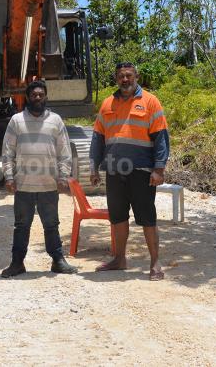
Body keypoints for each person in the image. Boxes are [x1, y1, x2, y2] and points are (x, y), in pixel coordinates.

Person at [89, 62, 170, 281]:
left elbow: (161, 138)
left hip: (142, 171)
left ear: (136, 76)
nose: (125, 80)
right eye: (121, 76)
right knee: (118, 218)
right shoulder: (107, 103)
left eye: (129, 75)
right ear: (116, 78)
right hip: (114, 172)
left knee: (147, 219)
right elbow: (98, 138)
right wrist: (94, 167)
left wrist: (159, 169)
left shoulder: (150, 101)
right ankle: (119, 259)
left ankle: (155, 263)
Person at [0, 80, 78, 278]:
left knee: (51, 225)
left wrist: (63, 176)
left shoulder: (56, 121)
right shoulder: (16, 121)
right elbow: (7, 152)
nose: (37, 98)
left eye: (40, 95)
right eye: (33, 95)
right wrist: (9, 177)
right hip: (23, 185)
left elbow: (65, 152)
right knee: (21, 226)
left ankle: (58, 261)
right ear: (27, 97)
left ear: (46, 97)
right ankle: (17, 263)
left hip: (49, 185)